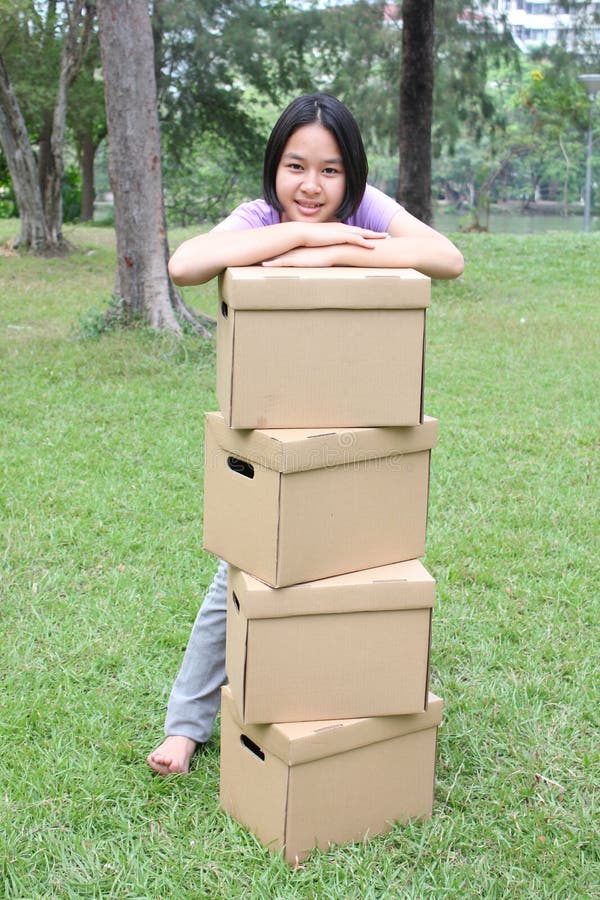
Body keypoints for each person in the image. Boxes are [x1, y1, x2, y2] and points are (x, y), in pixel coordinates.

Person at [147, 93, 464, 776]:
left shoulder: (368, 208)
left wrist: (338, 257)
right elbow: (185, 265)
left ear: (351, 173)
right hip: (275, 434)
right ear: (275, 167)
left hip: (361, 432)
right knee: (240, 577)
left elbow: (446, 258)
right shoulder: (261, 217)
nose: (312, 187)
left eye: (330, 171)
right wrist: (308, 238)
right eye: (296, 166)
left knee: (354, 573)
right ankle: (186, 725)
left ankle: (343, 693)